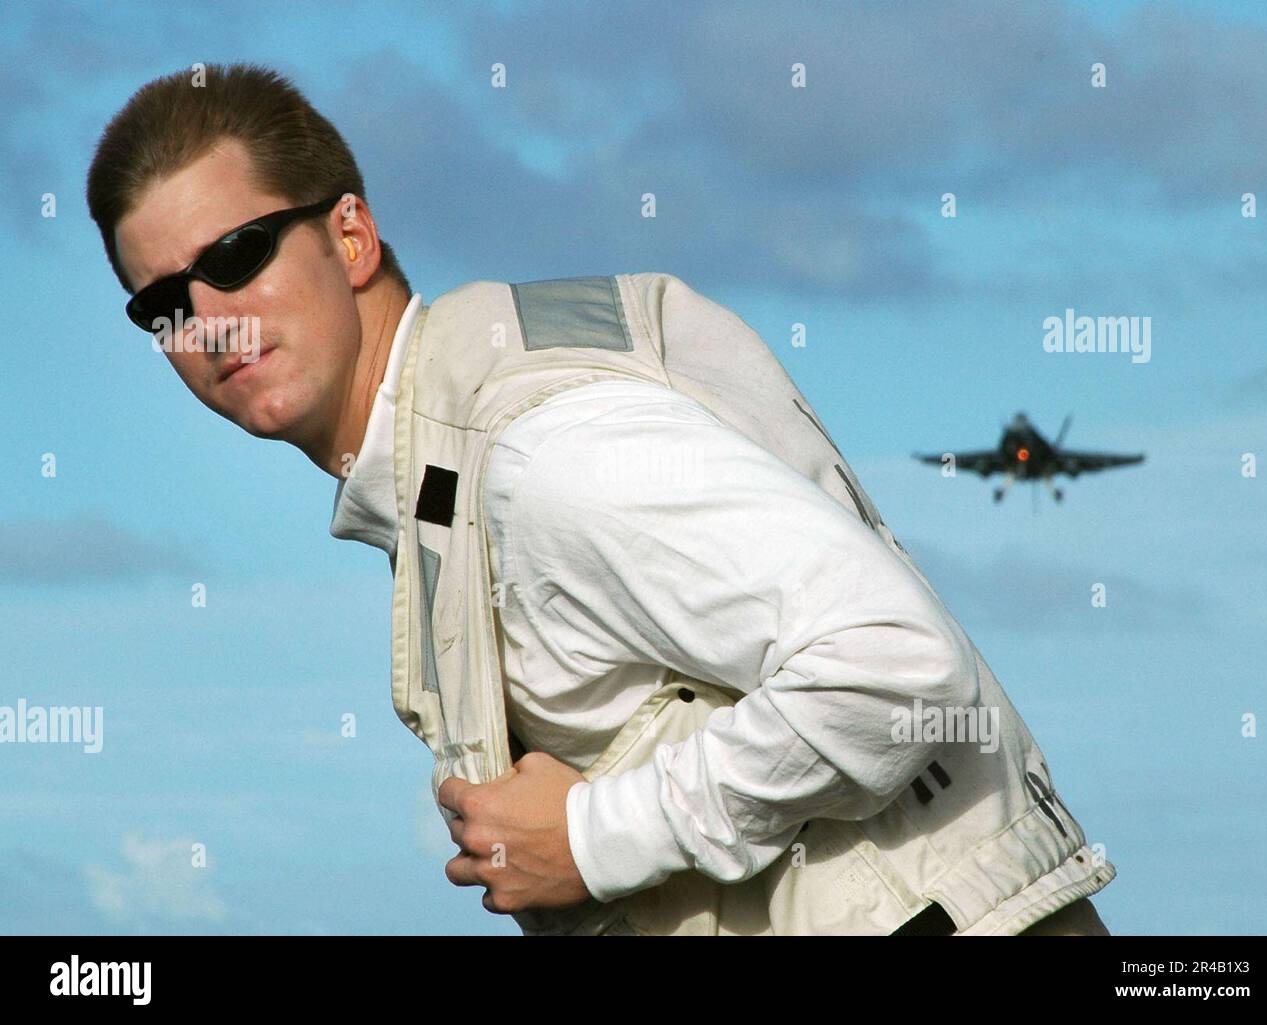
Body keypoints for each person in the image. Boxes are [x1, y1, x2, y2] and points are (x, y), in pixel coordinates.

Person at [86, 62, 1115, 936]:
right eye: (164, 303)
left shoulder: (539, 455)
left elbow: (892, 662)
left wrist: (591, 838)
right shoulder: (454, 456)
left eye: (235, 256)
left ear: (350, 237)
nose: (208, 319)